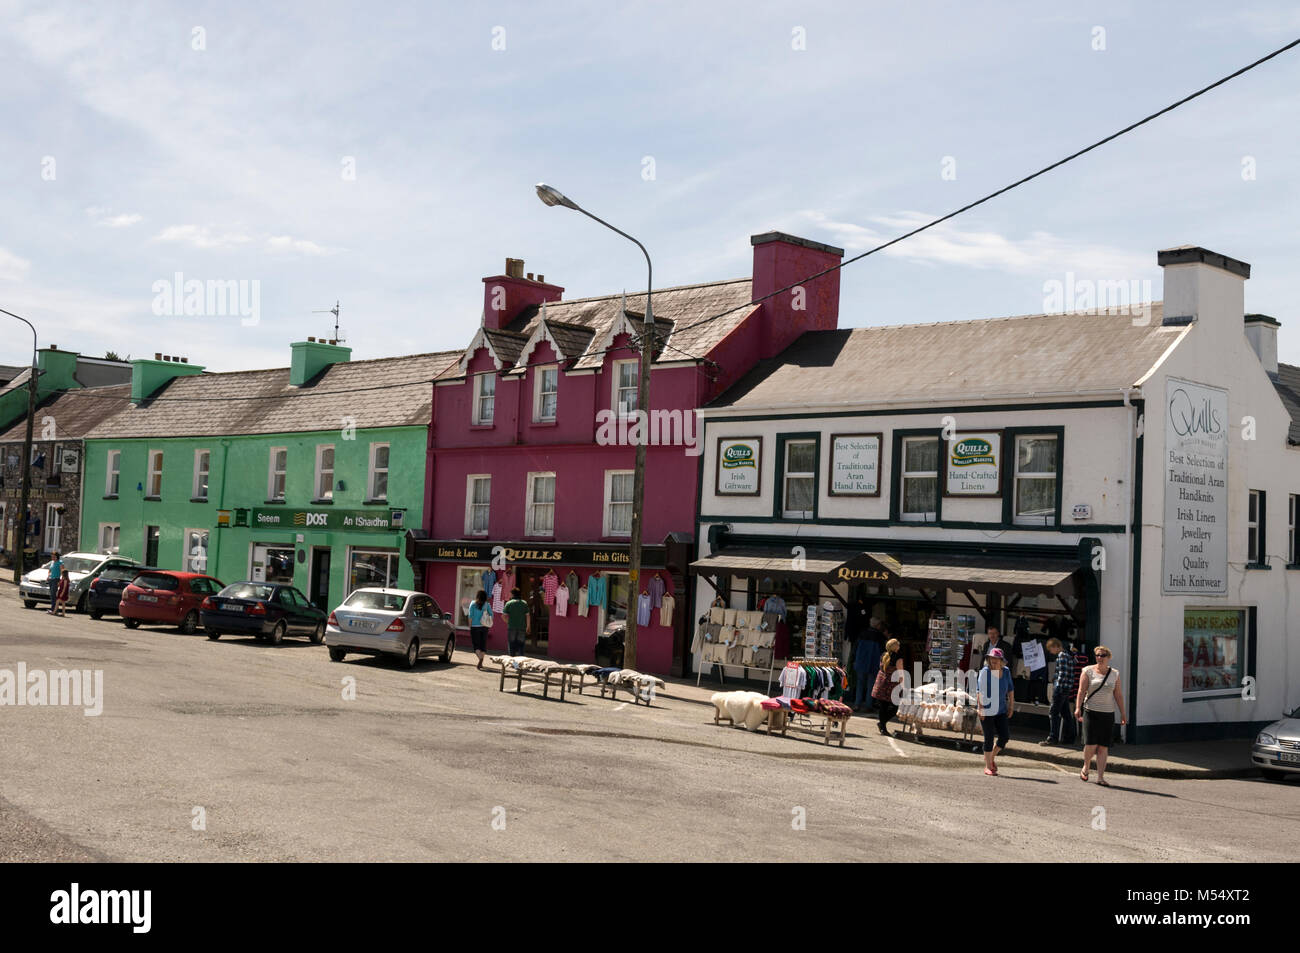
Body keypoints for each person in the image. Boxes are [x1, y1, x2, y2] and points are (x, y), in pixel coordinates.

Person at [1076, 645, 1126, 786]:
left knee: (1103, 746)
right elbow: (1081, 691)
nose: (1099, 658)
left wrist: (1123, 713)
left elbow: (1118, 695)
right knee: (1091, 744)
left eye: (1103, 655)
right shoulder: (1087, 671)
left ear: (1108, 657)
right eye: (1097, 655)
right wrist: (1078, 707)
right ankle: (1086, 766)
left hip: (1107, 714)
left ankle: (1100, 777)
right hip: (1091, 712)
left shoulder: (1115, 674)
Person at [976, 648, 1015, 775]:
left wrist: (1011, 706)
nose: (993, 661)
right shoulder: (985, 672)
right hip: (987, 709)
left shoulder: (1006, 671)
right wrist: (980, 708)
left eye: (996, 659)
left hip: (1001, 709)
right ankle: (988, 766)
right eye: (991, 658)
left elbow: (1010, 689)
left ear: (1001, 661)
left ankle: (991, 757)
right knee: (989, 737)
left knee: (1004, 736)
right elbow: (980, 691)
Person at [1039, 638, 1078, 746]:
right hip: (1067, 688)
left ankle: (1053, 738)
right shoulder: (1068, 655)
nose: (1050, 652)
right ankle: (1070, 738)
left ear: (1055, 646)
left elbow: (1062, 673)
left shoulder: (1062, 655)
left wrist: (1057, 686)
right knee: (1066, 714)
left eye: (1050, 649)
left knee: (1053, 713)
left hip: (1061, 688)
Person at [872, 636, 905, 735]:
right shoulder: (898, 658)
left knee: (883, 706)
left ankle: (882, 726)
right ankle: (882, 725)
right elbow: (900, 674)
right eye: (898, 645)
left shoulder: (883, 655)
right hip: (892, 685)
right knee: (894, 708)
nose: (899, 646)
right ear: (895, 647)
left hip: (882, 683)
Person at [852, 613, 884, 712]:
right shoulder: (880, 636)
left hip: (861, 662)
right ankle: (868, 705)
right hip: (873, 663)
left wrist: (854, 660)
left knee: (860, 683)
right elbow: (883, 651)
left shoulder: (862, 633)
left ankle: (857, 704)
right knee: (871, 684)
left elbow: (855, 648)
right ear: (877, 625)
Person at [467, 590, 492, 669]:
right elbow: (491, 615)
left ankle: (480, 659)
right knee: (483, 645)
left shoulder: (473, 604)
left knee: (476, 645)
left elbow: (470, 616)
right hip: (484, 627)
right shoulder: (487, 605)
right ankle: (481, 662)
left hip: (475, 627)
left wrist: (470, 626)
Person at [503, 587, 530, 657]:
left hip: (511, 627)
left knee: (512, 646)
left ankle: (513, 662)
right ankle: (521, 661)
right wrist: (528, 626)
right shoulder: (524, 603)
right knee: (521, 646)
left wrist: (508, 622)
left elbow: (503, 616)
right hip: (522, 627)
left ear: (512, 594)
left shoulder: (509, 603)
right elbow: (528, 616)